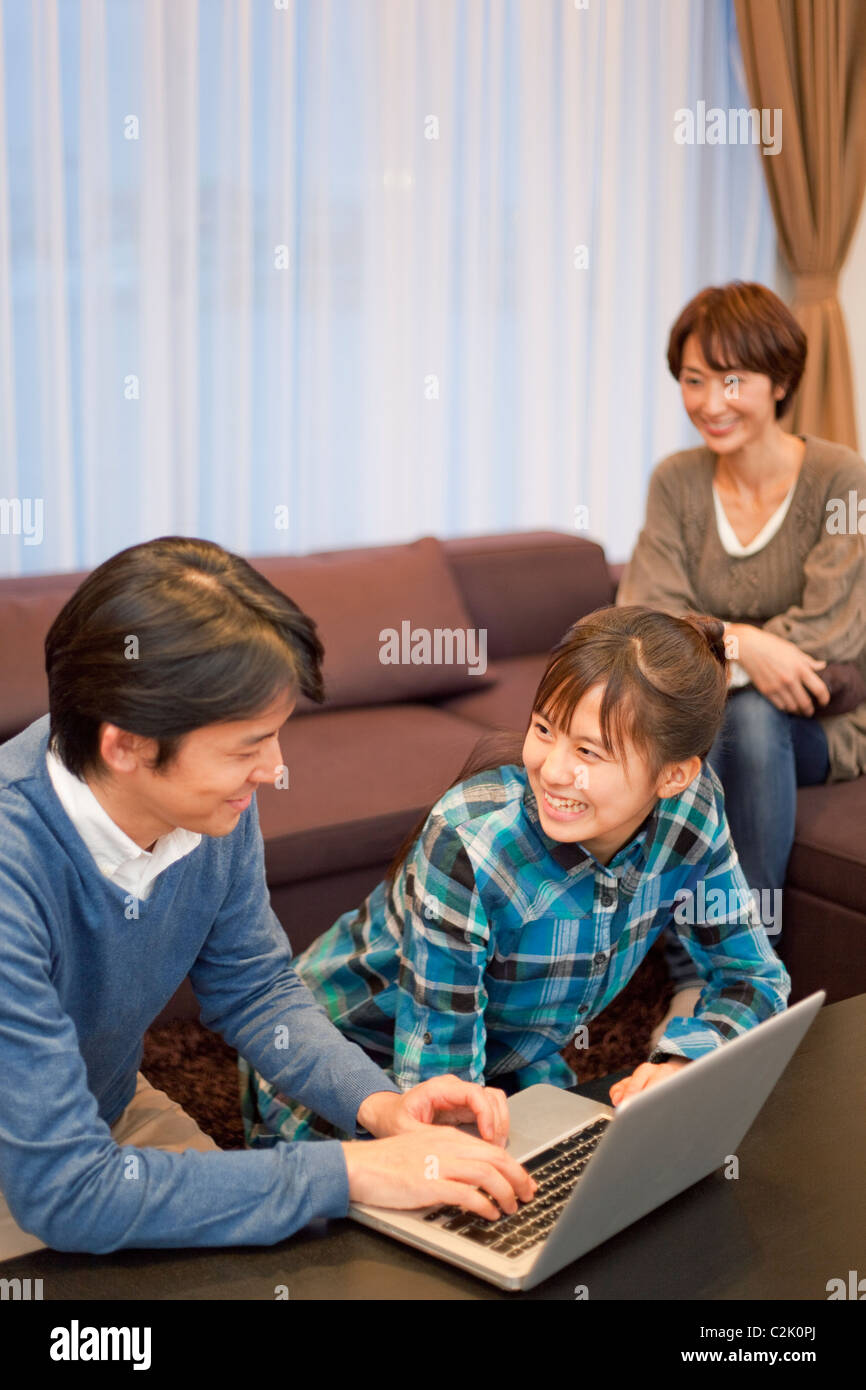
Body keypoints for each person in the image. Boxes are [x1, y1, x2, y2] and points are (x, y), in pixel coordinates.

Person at [0, 536, 536, 1262]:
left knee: (300, 1265)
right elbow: (66, 1193)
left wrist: (378, 1108)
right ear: (125, 745)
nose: (273, 770)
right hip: (40, 1173)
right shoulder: (14, 862)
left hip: (104, 1115)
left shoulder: (206, 800)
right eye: (247, 746)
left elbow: (253, 987)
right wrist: (352, 1171)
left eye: (276, 736)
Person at [240, 605, 791, 1148]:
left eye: (588, 751)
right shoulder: (470, 843)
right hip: (355, 1064)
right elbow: (439, 1084)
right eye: (544, 728)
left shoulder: (692, 812)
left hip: (513, 1056)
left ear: (674, 775)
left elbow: (754, 978)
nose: (551, 770)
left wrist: (682, 1059)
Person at [617, 281, 866, 1037]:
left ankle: (734, 972)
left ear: (779, 383)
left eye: (732, 380)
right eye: (694, 380)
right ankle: (721, 974)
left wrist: (712, 646)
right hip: (718, 712)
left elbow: (828, 635)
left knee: (746, 715)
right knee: (717, 716)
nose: (710, 401)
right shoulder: (677, 481)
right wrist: (742, 640)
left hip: (823, 724)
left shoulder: (840, 479)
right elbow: (642, 618)